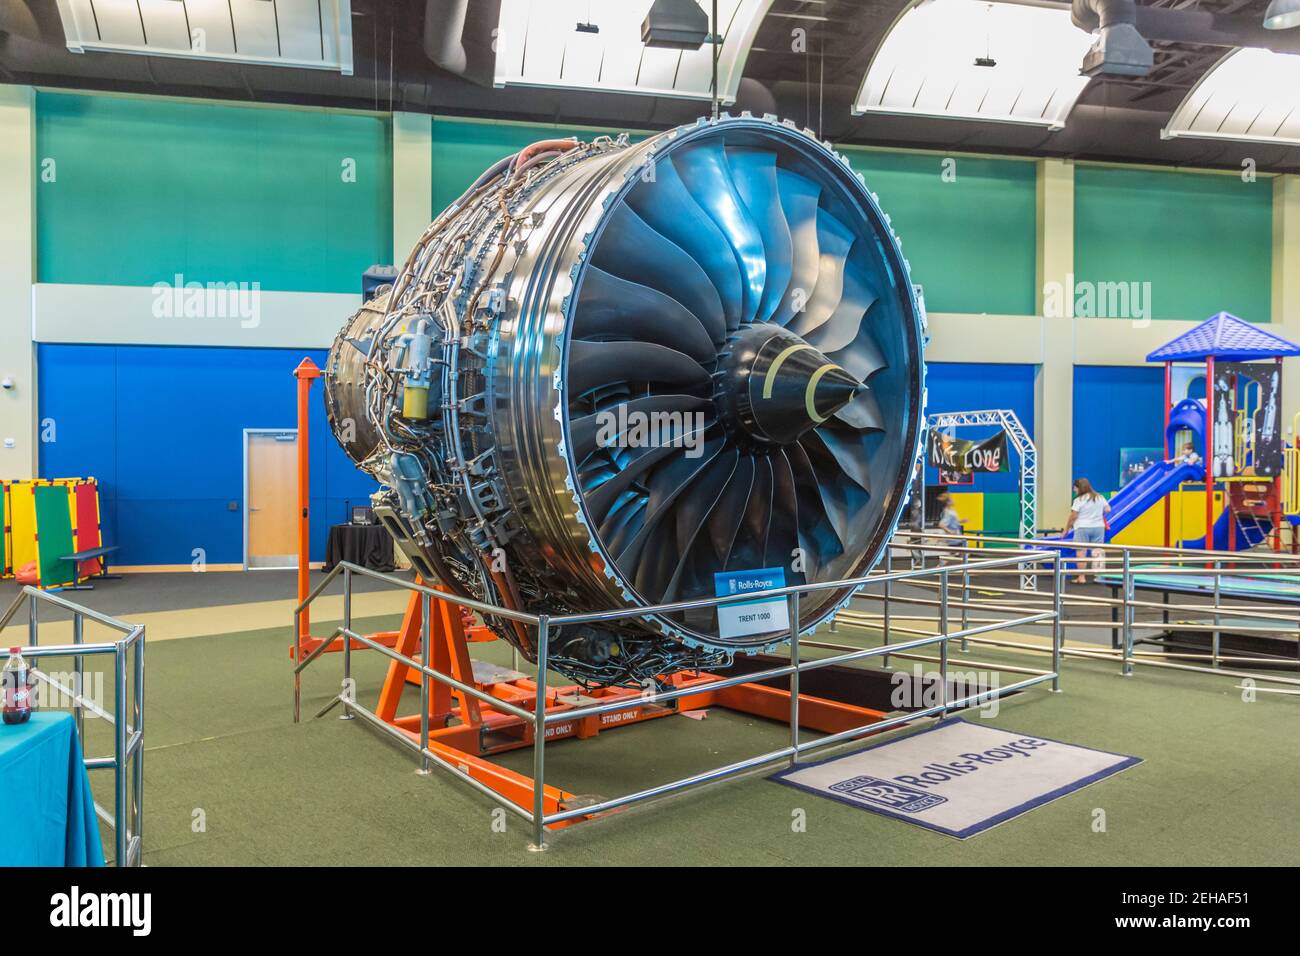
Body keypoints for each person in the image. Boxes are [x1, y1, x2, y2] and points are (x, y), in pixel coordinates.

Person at [1063, 478, 1110, 584]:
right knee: (1097, 552)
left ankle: (1081, 577)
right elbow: (1108, 509)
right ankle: (1099, 577)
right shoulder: (1099, 497)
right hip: (1098, 527)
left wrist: (1066, 529)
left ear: (1079, 487)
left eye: (1074, 488)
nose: (1074, 490)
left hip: (1082, 528)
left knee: (1081, 553)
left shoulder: (1079, 500)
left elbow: (1073, 516)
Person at [936, 492, 966, 559]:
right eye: (951, 499)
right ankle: (939, 567)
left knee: (955, 554)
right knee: (959, 553)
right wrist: (950, 532)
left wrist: (961, 521)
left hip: (957, 536)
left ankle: (940, 567)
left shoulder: (951, 510)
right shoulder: (948, 512)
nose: (953, 500)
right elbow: (941, 524)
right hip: (954, 538)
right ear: (948, 502)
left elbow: (953, 522)